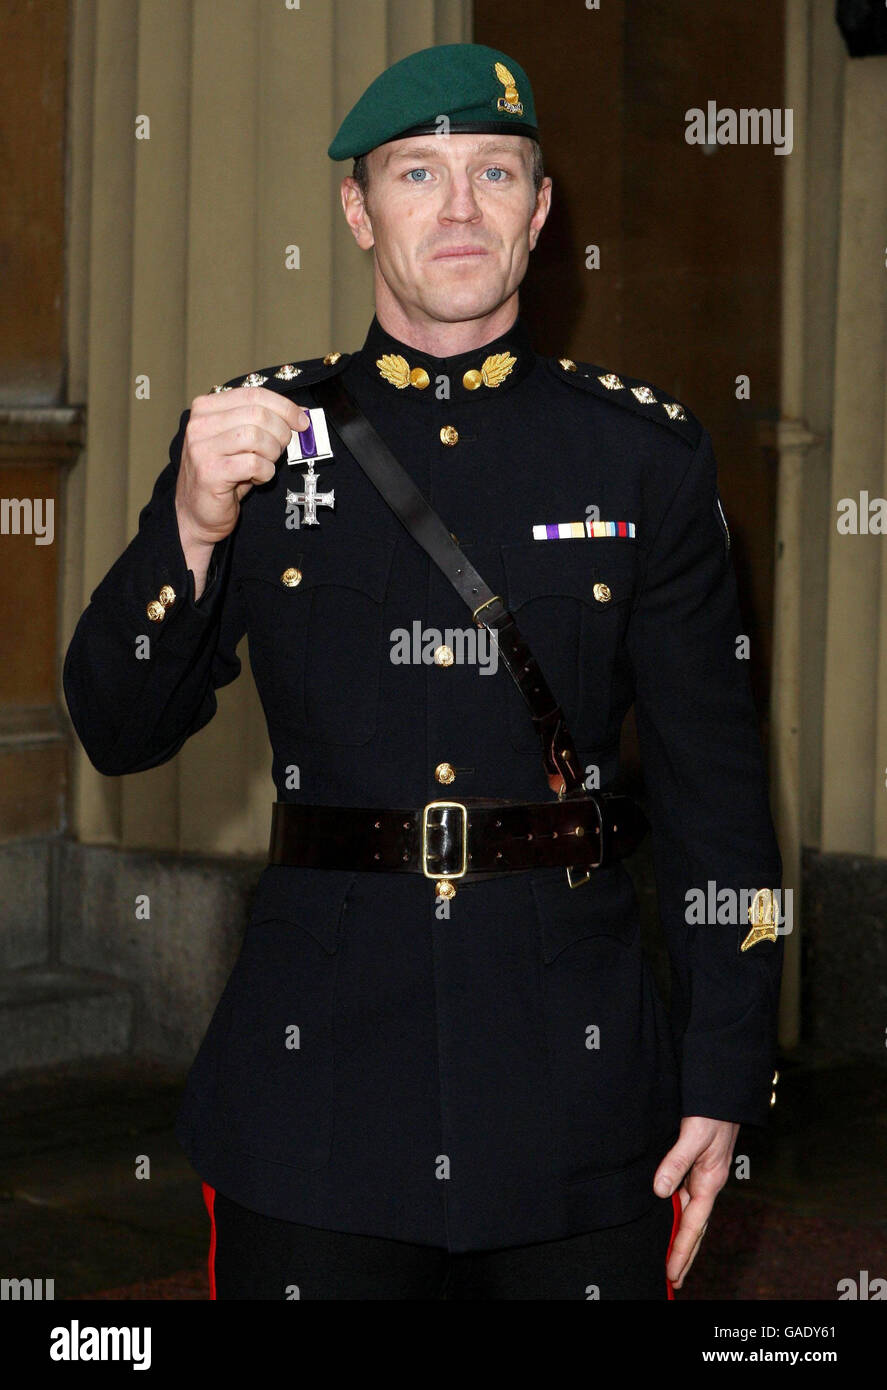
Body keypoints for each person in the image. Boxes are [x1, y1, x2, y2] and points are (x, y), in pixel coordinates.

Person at [62, 42, 783, 1300]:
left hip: (574, 1082)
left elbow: (716, 798)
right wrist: (185, 523)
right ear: (357, 210)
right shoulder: (258, 440)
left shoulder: (641, 456)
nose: (458, 208)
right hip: (320, 1085)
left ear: (539, 209)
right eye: (416, 173)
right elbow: (117, 727)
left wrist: (722, 1074)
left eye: (493, 171)